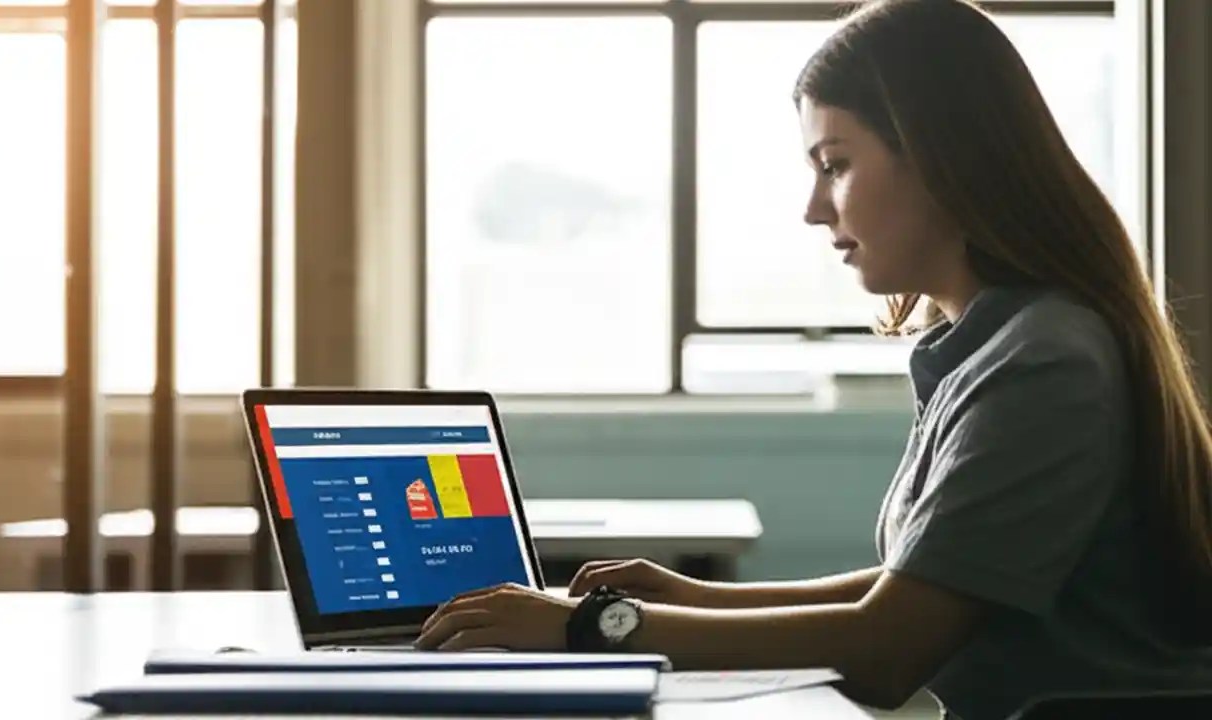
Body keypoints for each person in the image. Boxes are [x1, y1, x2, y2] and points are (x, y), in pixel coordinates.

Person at [413, 0, 1212, 717]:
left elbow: (889, 649)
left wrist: (593, 627)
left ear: (940, 154)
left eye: (835, 165)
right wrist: (699, 600)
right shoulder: (1002, 346)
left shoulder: (1044, 363)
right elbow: (925, 588)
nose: (811, 207)